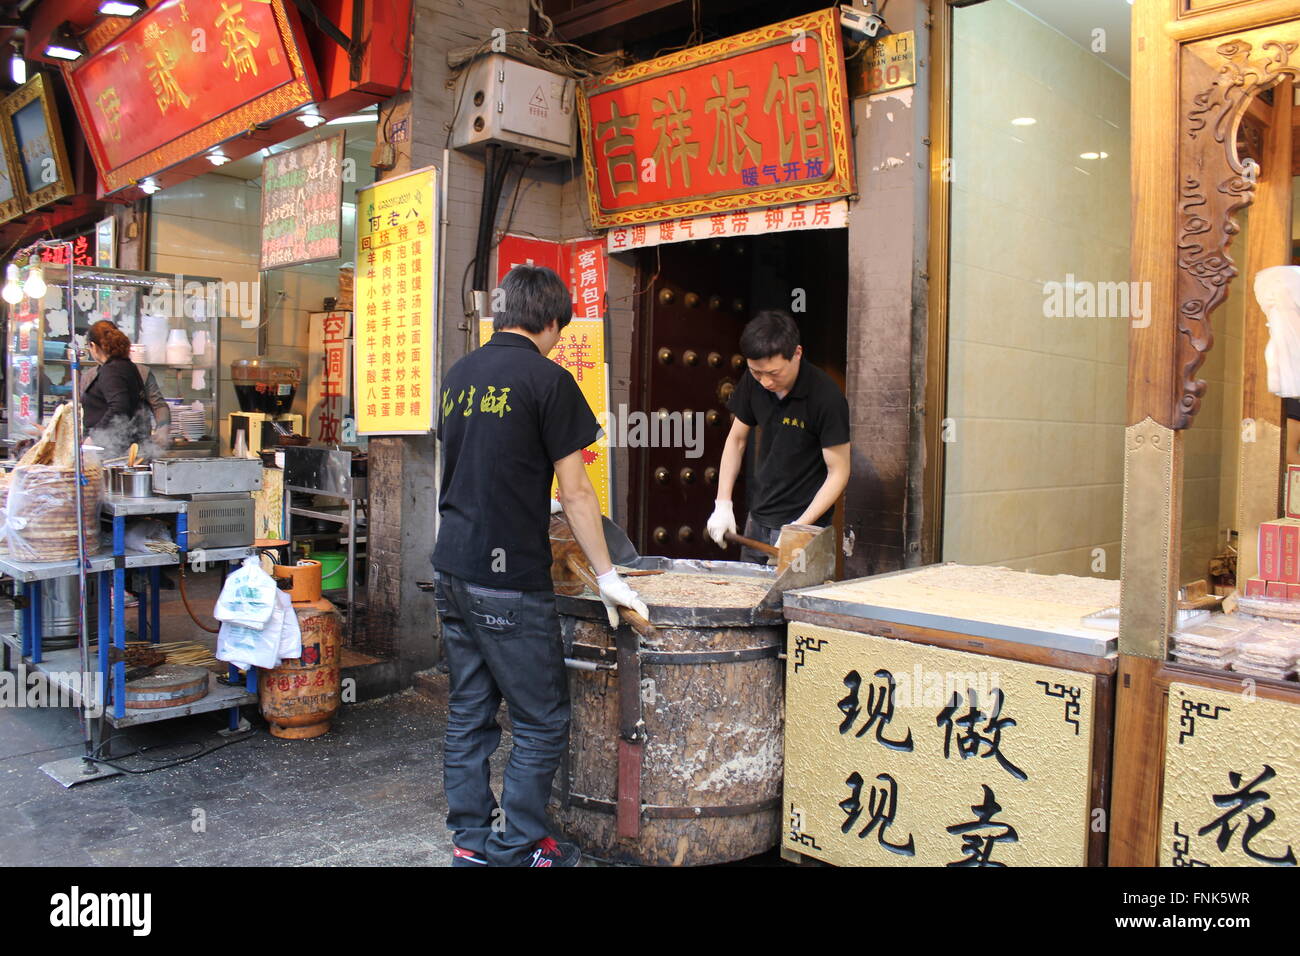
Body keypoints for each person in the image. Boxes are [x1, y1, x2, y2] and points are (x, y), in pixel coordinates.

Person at [431, 264, 648, 868]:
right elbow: (579, 493)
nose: (557, 340)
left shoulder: (459, 374)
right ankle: (515, 848)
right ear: (551, 321)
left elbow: (482, 463)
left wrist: (533, 494)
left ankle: (471, 844)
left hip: (452, 567)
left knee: (471, 711)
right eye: (560, 330)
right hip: (507, 584)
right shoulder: (548, 381)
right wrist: (609, 578)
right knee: (542, 719)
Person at [707, 310, 851, 563]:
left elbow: (838, 472)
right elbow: (737, 440)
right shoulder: (754, 382)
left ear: (797, 353)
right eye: (756, 372)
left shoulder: (825, 397)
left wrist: (799, 528)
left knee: (794, 602)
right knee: (749, 597)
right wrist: (723, 502)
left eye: (774, 373)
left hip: (807, 525)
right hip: (759, 516)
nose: (764, 382)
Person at [81, 320, 151, 457]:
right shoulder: (126, 366)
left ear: (93, 346)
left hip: (112, 450)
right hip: (123, 445)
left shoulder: (111, 370)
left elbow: (119, 406)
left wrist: (94, 437)